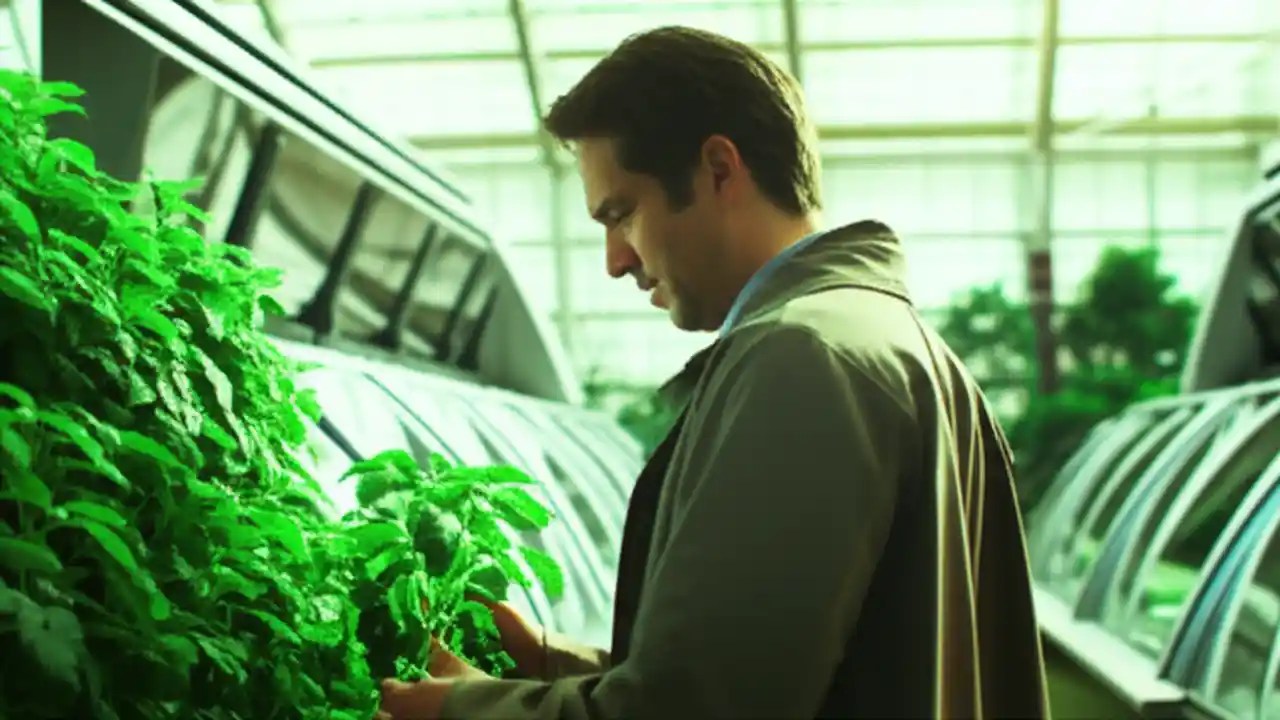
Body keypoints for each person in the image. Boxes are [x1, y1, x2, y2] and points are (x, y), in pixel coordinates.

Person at [376, 25, 1050, 720]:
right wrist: (549, 663)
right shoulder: (887, 343)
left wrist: (461, 712)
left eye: (622, 213)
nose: (614, 259)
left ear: (719, 170)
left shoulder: (804, 361)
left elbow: (698, 711)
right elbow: (788, 675)